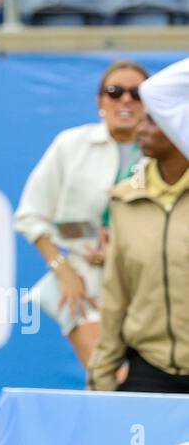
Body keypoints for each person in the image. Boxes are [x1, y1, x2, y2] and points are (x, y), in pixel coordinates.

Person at [15, 61, 149, 371]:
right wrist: (64, 272)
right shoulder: (71, 145)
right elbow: (29, 216)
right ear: (100, 101)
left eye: (137, 93)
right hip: (86, 282)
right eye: (115, 92)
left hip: (146, 284)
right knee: (109, 375)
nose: (126, 100)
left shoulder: (166, 150)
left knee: (144, 382)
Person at [89, 68, 189, 393]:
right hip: (148, 370)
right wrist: (102, 377)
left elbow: (161, 85)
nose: (140, 129)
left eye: (152, 121)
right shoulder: (125, 200)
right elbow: (116, 295)